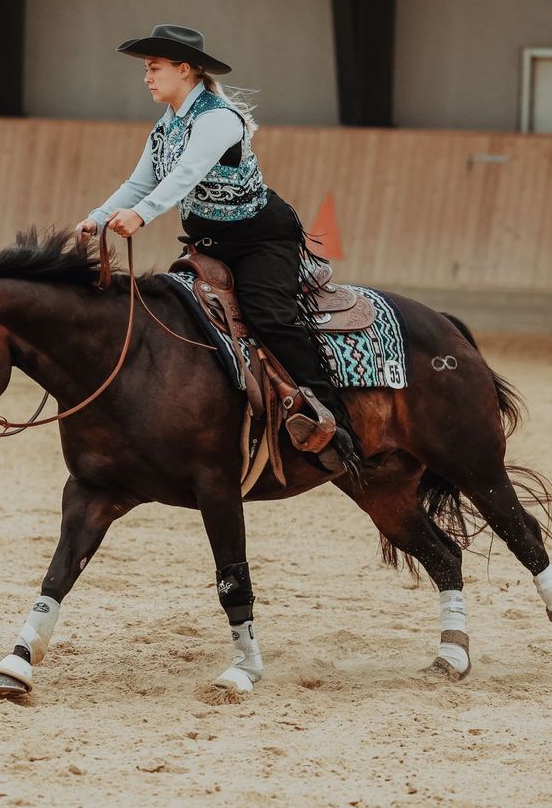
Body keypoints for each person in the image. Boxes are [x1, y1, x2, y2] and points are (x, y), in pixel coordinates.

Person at [76, 23, 359, 472]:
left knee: (268, 312)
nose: (147, 77)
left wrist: (142, 215)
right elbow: (140, 182)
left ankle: (333, 418)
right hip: (208, 244)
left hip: (261, 240)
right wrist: (95, 218)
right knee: (178, 309)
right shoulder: (166, 126)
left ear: (184, 70)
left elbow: (184, 175)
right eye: (147, 69)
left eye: (154, 68)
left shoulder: (218, 119)